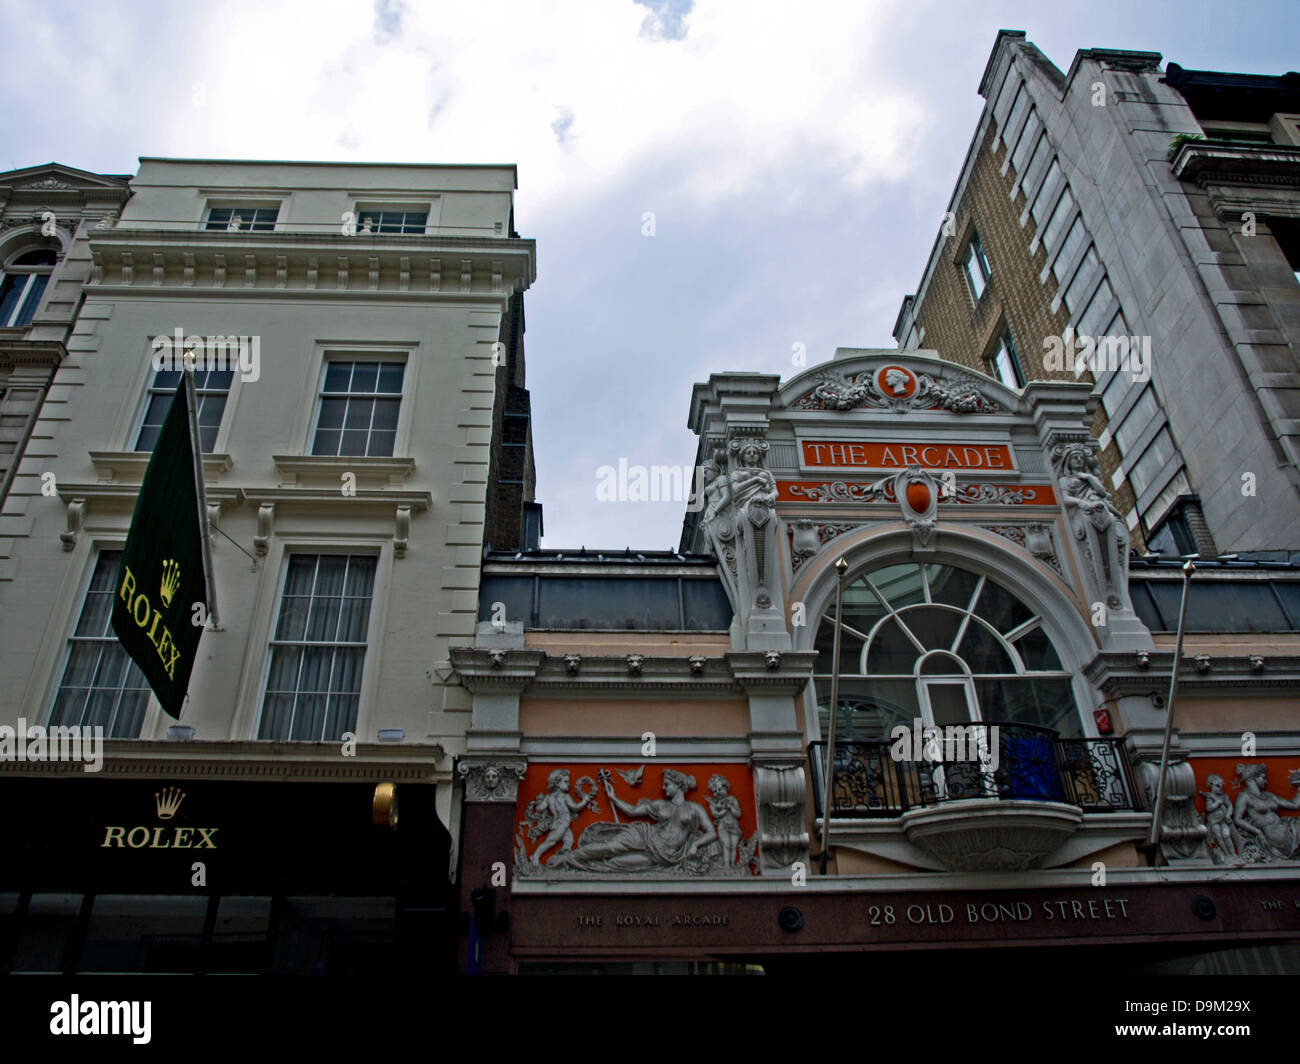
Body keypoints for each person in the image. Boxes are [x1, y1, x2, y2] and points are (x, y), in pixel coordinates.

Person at [548, 769, 717, 873]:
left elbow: (711, 833)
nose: (663, 788)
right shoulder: (660, 804)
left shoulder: (694, 808)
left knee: (615, 863)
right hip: (644, 835)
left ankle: (582, 862)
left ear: (678, 784)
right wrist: (613, 798)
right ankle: (568, 858)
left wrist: (695, 845)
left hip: (664, 855)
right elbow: (632, 811)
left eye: (667, 784)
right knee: (611, 847)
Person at [1232, 763, 1300, 859]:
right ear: (1253, 778)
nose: (1266, 781)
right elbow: (1237, 819)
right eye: (1263, 778)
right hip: (1271, 834)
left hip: (1284, 828)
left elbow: (1294, 805)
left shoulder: (1268, 795)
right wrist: (1257, 832)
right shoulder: (1245, 796)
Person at [529, 769, 592, 865]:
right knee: (551, 841)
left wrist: (535, 803)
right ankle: (535, 856)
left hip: (559, 822)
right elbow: (575, 807)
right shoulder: (565, 796)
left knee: (569, 840)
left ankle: (562, 857)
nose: (569, 784)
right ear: (557, 783)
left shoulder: (549, 797)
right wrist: (585, 800)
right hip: (562, 822)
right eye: (566, 782)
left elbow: (540, 808)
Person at [707, 775, 743, 866]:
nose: (718, 793)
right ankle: (726, 865)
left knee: (734, 845)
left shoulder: (732, 799)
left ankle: (732, 864)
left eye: (720, 789)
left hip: (734, 825)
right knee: (726, 843)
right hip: (722, 825)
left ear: (726, 788)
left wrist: (730, 807)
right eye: (715, 791)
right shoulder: (714, 802)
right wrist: (724, 810)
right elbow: (715, 814)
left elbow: (738, 814)